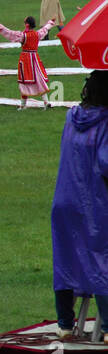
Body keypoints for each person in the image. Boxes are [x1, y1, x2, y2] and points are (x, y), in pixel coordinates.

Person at [50, 70, 108, 339]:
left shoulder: (71, 117)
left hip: (64, 201)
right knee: (101, 259)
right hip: (93, 203)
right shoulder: (105, 122)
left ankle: (64, 323)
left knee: (65, 258)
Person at [0, 16, 57, 108]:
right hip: (35, 59)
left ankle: (23, 105)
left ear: (27, 24)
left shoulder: (23, 35)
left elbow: (9, 33)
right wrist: (51, 22)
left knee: (24, 81)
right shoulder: (37, 34)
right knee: (39, 79)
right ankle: (46, 102)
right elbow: (45, 29)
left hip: (26, 59)